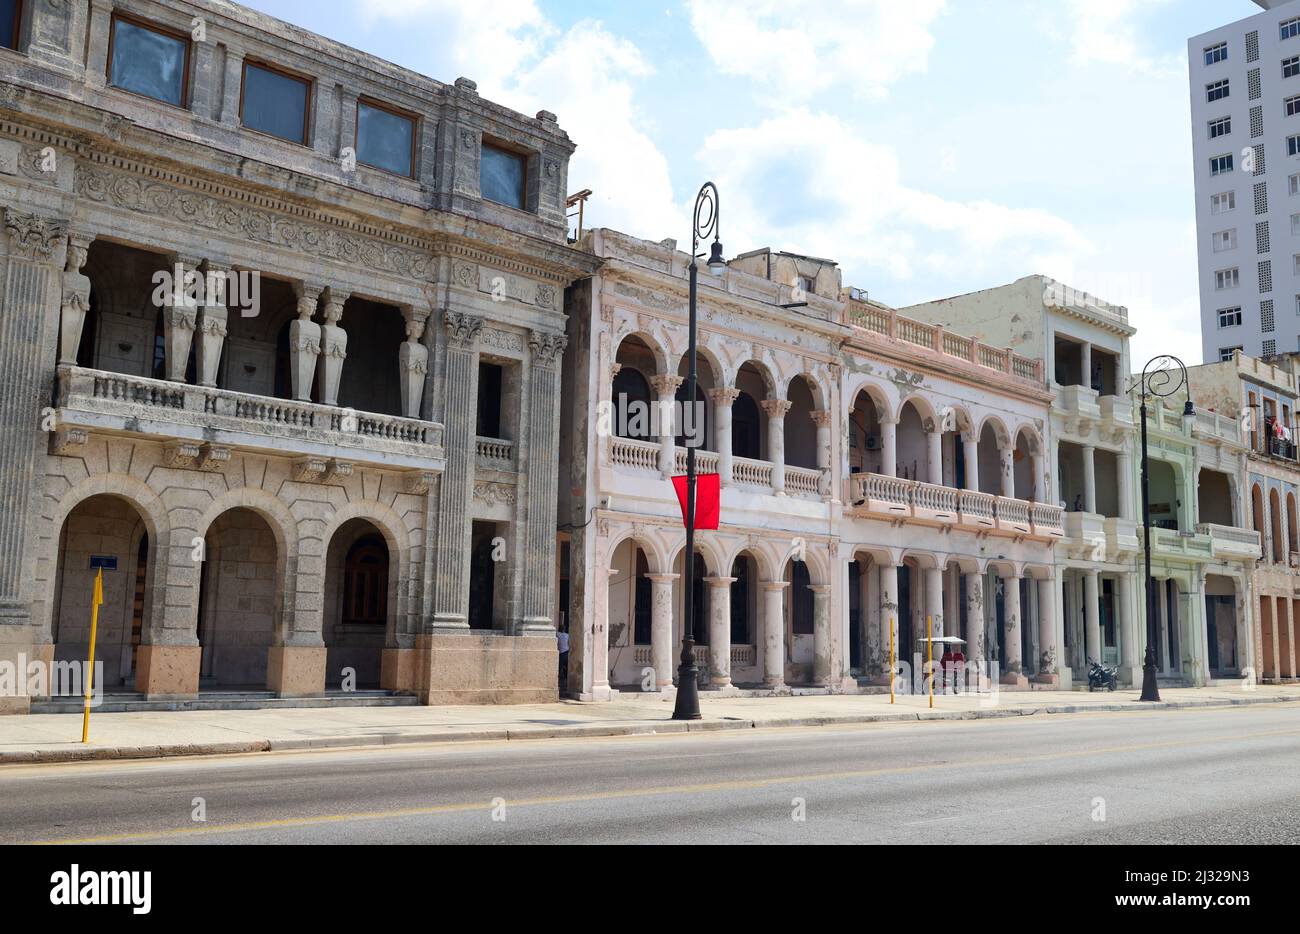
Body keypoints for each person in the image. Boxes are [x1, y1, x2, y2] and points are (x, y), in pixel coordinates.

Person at [556, 623, 570, 688]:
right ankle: (566, 678)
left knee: (560, 666)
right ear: (564, 629)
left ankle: (558, 677)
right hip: (566, 652)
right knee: (566, 665)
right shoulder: (567, 635)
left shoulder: (558, 634)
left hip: (561, 653)